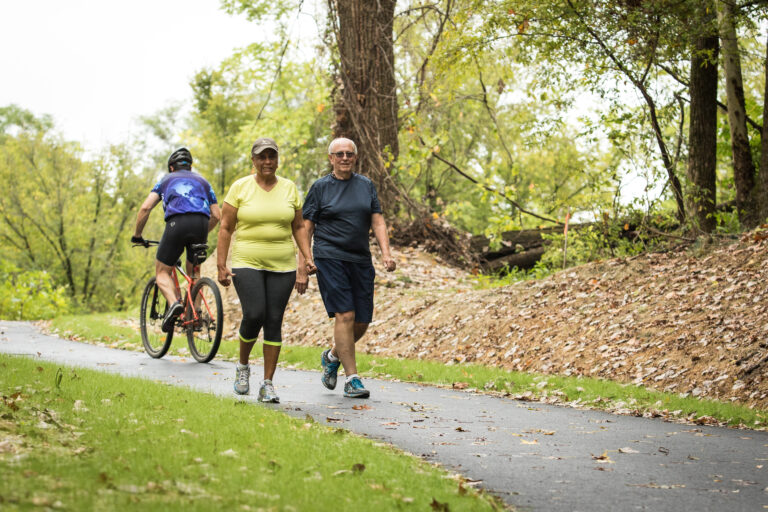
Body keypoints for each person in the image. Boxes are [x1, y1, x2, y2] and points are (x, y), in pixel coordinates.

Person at [217, 137, 315, 403]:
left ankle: (268, 383)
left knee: (274, 320)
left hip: (282, 263)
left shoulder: (289, 188)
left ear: (278, 159)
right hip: (247, 260)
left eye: (272, 156)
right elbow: (226, 227)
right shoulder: (240, 188)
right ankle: (243, 367)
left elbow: (298, 227)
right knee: (255, 313)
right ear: (254, 160)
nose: (267, 162)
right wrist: (221, 264)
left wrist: (306, 258)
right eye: (262, 157)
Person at [300, 137, 396, 399]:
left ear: (355, 158)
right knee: (345, 315)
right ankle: (352, 379)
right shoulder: (320, 188)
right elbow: (306, 227)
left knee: (362, 321)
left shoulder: (365, 186)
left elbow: (377, 221)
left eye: (349, 154)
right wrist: (303, 263)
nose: (344, 158)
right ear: (330, 158)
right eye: (339, 154)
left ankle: (332, 356)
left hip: (360, 259)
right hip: (329, 256)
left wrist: (386, 253)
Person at [132, 147, 220, 333]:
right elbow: (217, 215)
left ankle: (174, 304)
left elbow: (145, 208)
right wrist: (203, 231)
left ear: (171, 167)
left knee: (162, 271)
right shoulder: (204, 182)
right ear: (190, 167)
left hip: (177, 223)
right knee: (194, 272)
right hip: (201, 224)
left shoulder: (166, 180)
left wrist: (138, 235)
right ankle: (195, 314)